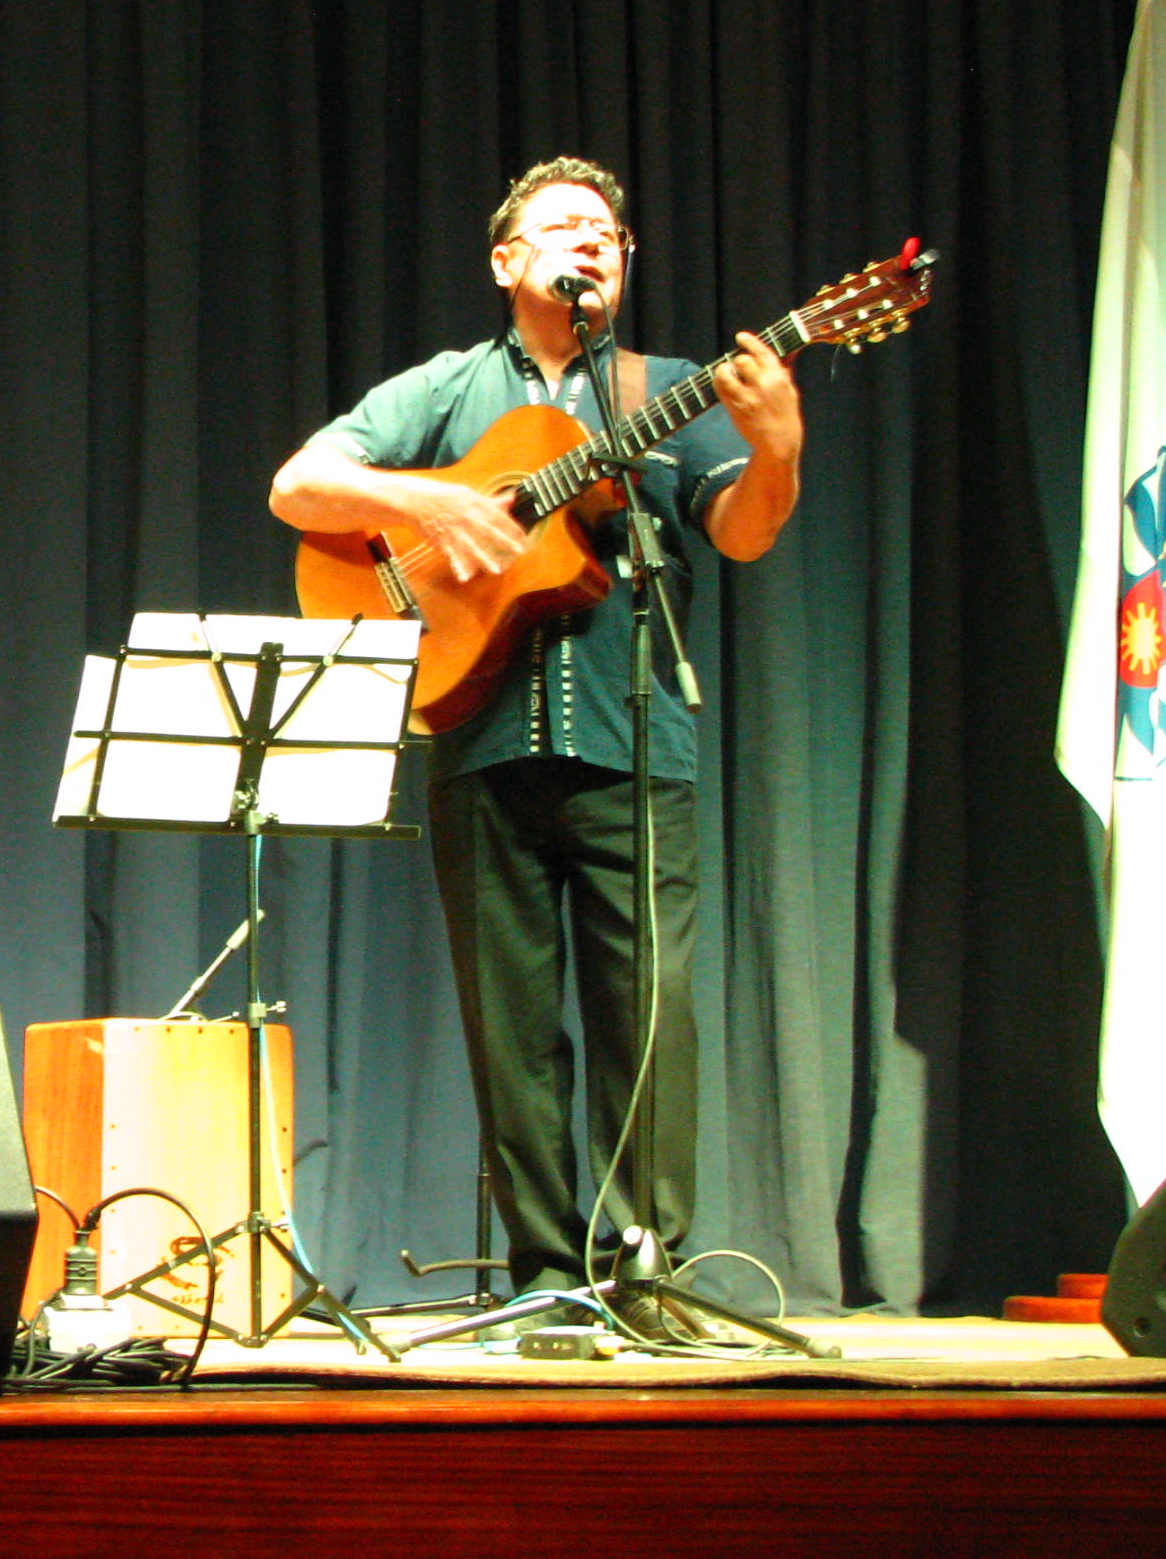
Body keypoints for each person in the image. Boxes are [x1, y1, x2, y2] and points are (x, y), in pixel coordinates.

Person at [268, 156, 801, 1324]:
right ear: (508, 263)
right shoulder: (448, 390)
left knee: (650, 1021)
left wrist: (777, 451)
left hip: (637, 741)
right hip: (482, 740)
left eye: (607, 229)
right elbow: (301, 488)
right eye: (563, 226)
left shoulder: (665, 393)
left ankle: (647, 1278)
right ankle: (551, 1285)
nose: (591, 240)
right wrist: (432, 503)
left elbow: (745, 536)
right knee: (513, 1035)